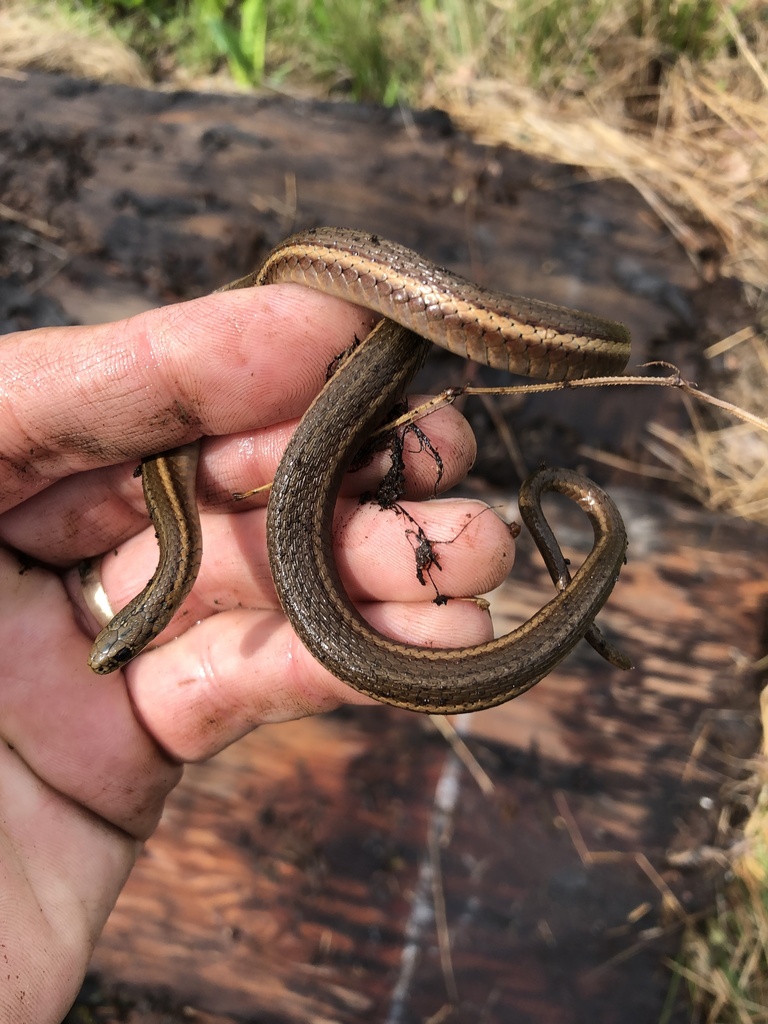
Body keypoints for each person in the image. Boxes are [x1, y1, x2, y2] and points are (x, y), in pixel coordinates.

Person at [0, 282, 515, 1023]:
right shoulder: (172, 548)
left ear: (140, 629)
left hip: (352, 343)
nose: (108, 665)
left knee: (309, 351)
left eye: (116, 656)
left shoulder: (174, 544)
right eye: (116, 658)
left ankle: (362, 309)